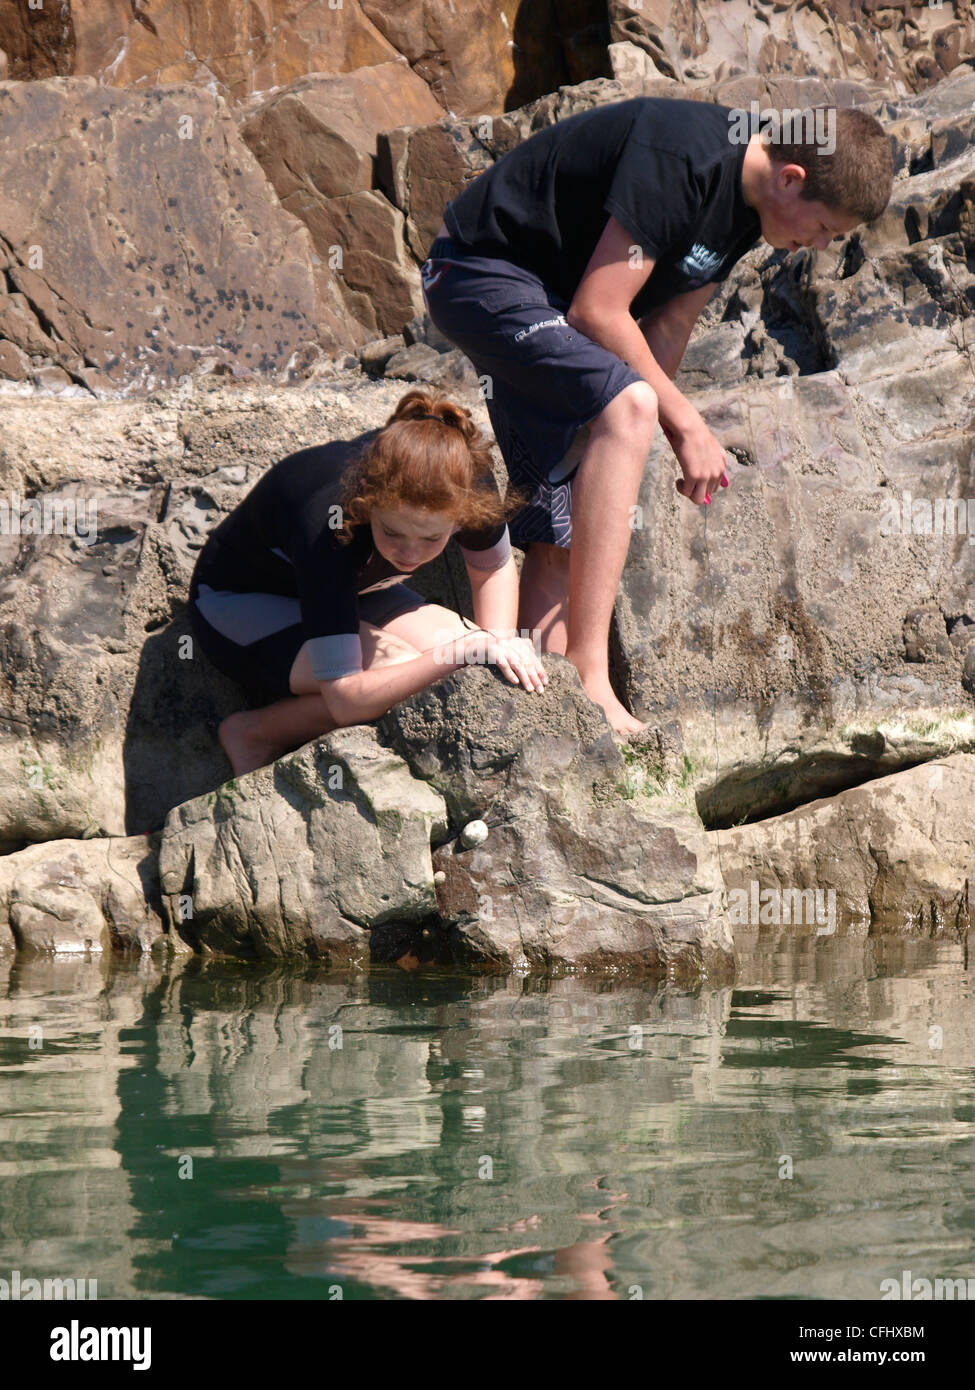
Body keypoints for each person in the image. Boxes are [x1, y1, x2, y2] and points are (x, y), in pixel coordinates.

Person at [420, 96, 893, 735]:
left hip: (551, 307)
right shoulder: (685, 159)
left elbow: (668, 325)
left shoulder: (749, 210)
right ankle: (592, 674)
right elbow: (601, 311)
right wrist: (679, 423)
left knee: (562, 526)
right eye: (826, 229)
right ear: (791, 179)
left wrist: (623, 440)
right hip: (478, 272)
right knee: (631, 403)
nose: (820, 245)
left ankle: (552, 722)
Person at [188, 389, 547, 776]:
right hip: (241, 602)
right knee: (410, 669)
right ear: (368, 503)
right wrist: (465, 650)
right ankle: (255, 732)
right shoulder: (330, 522)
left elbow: (492, 568)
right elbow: (345, 697)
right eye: (392, 532)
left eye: (431, 539)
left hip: (356, 590)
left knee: (471, 662)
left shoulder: (465, 479)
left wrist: (496, 644)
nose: (409, 555)